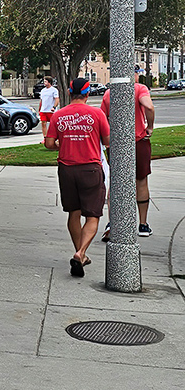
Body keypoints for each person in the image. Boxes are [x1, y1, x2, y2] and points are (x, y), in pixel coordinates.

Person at [45, 76, 110, 276]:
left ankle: (80, 256)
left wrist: (61, 144)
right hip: (90, 168)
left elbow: (48, 143)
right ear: (87, 94)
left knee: (73, 212)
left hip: (66, 168)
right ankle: (81, 252)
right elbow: (107, 140)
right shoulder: (97, 114)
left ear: (69, 93)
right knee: (93, 215)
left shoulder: (59, 115)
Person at [100, 68, 155, 238]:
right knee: (141, 180)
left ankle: (112, 222)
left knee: (115, 181)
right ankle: (142, 224)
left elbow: (103, 117)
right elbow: (149, 106)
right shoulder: (139, 88)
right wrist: (150, 126)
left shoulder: (109, 93)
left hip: (116, 144)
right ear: (134, 75)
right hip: (138, 140)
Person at [38, 76, 59, 143]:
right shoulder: (43, 91)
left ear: (49, 82)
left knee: (53, 125)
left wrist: (54, 107)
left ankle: (55, 138)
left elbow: (57, 99)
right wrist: (39, 109)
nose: (44, 83)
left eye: (45, 81)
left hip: (51, 111)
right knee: (43, 124)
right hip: (43, 110)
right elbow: (41, 100)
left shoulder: (54, 90)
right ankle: (45, 138)